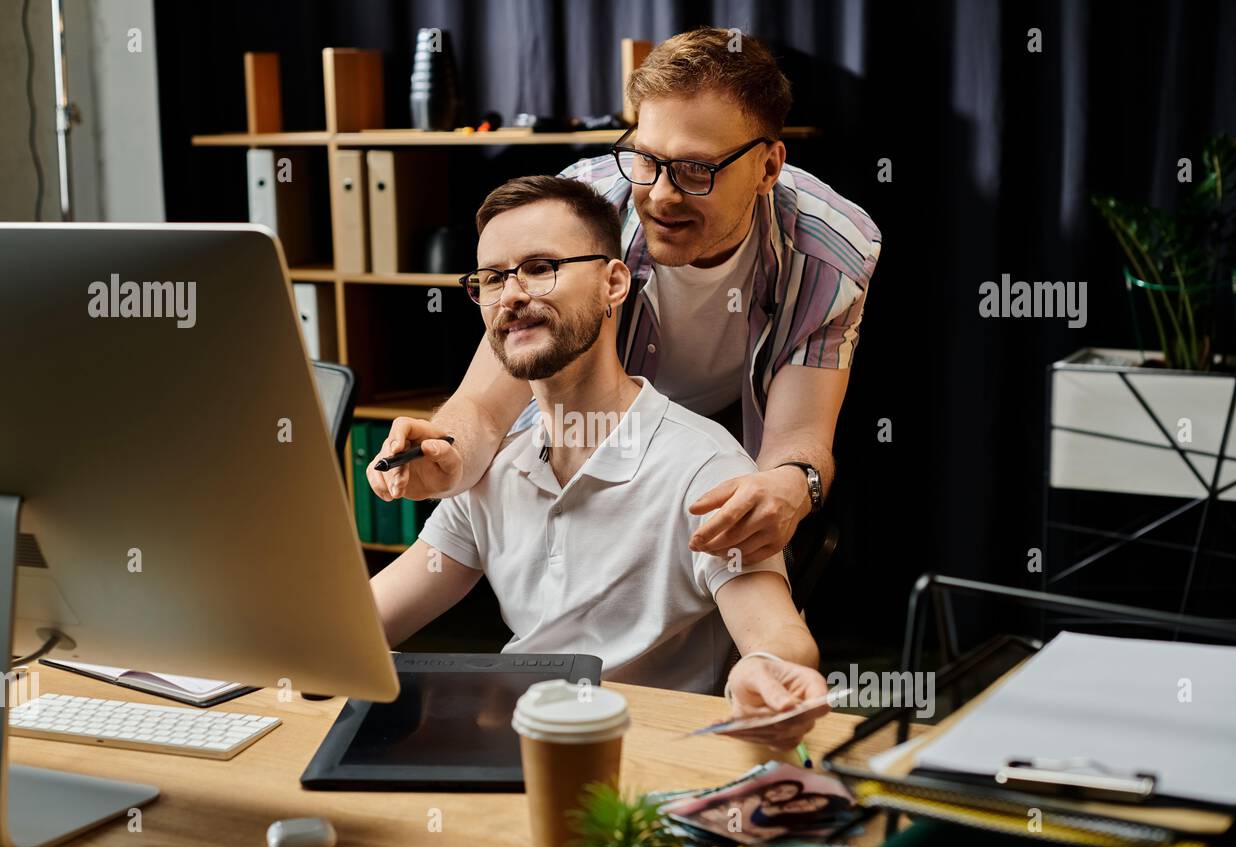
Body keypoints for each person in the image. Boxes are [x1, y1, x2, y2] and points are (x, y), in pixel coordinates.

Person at [370, 27, 882, 569]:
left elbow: (799, 436)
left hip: (716, 452)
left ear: (768, 167)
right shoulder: (579, 217)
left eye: (695, 169)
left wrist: (789, 487)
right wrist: (447, 454)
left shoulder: (831, 252)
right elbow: (486, 407)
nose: (661, 196)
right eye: (645, 158)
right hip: (583, 440)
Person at [370, 175, 830, 748]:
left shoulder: (703, 465)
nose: (510, 295)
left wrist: (765, 669)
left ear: (614, 283)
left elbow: (777, 634)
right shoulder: (490, 465)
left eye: (541, 267)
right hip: (516, 743)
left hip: (644, 756)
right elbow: (370, 621)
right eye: (492, 278)